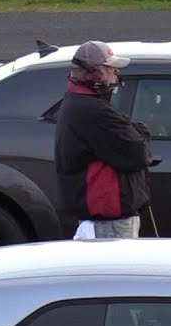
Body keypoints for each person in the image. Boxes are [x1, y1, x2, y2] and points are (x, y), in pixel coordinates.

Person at [53, 40, 153, 239]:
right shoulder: (94, 112)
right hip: (110, 221)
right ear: (95, 73)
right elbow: (137, 153)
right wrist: (140, 132)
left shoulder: (82, 104)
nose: (116, 72)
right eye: (110, 67)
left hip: (105, 218)